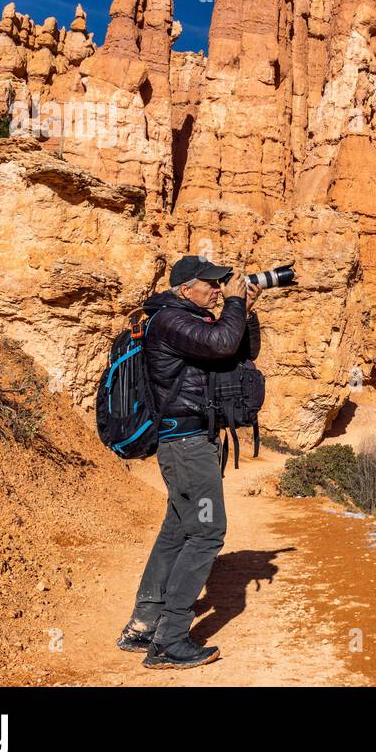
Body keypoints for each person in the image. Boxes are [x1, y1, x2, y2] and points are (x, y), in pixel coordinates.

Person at [114, 255, 263, 670]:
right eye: (210, 284)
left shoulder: (185, 320)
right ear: (185, 289)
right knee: (208, 531)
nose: (218, 290)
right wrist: (233, 304)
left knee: (178, 529)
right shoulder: (169, 321)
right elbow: (219, 343)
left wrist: (243, 308)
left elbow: (237, 350)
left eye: (221, 285)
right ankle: (171, 639)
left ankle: (143, 626)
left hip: (188, 442)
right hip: (186, 444)